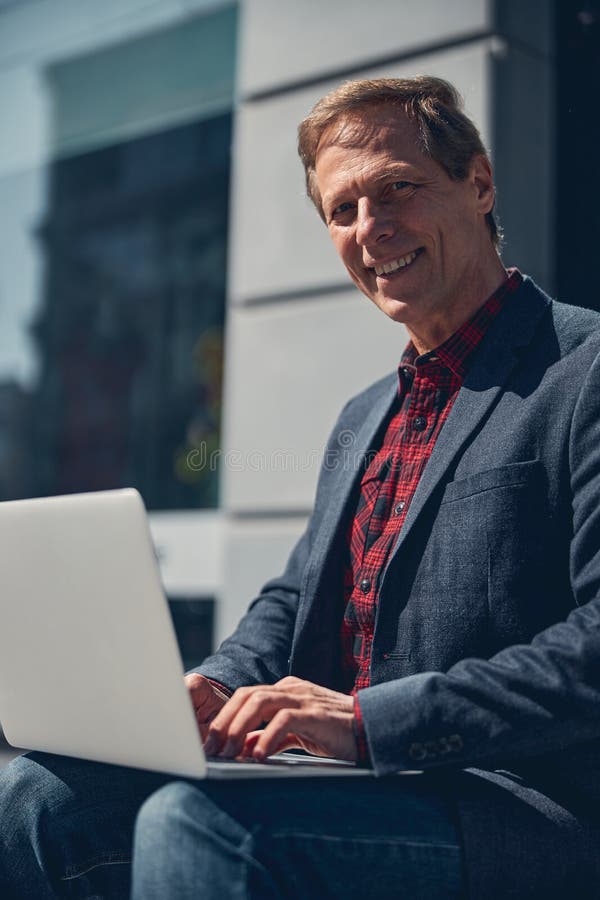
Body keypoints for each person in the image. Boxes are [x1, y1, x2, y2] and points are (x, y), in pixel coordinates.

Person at [2, 75, 600, 899]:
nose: (371, 229)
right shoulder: (364, 417)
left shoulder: (585, 369)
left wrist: (368, 724)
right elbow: (291, 602)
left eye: (397, 189)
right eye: (342, 211)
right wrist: (214, 686)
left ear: (480, 182)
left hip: (516, 801)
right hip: (346, 781)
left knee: (195, 827)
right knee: (40, 798)